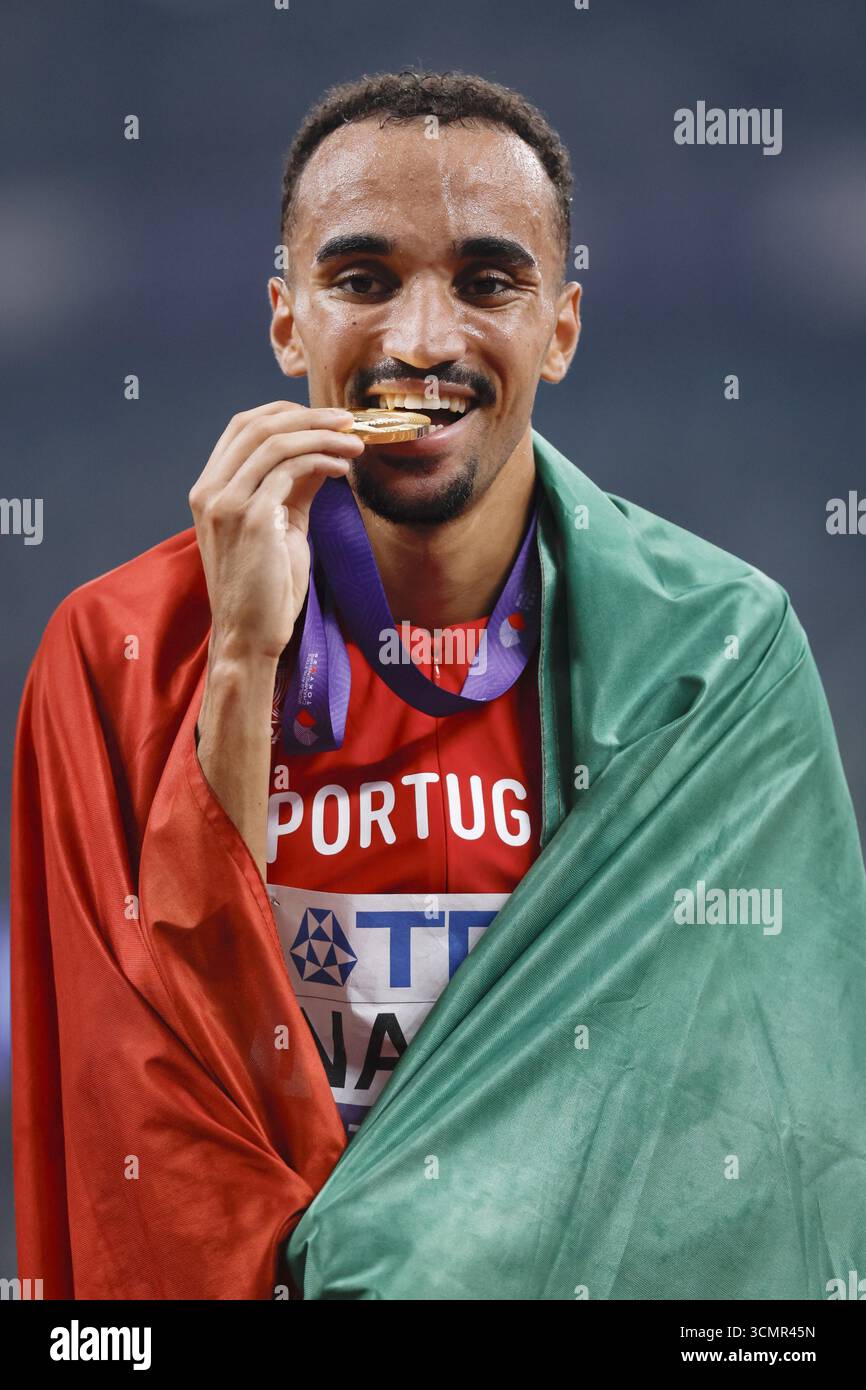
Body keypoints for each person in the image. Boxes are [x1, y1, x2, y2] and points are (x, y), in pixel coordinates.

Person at [11, 68, 866, 1302]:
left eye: (486, 282)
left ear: (559, 329)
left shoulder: (714, 661)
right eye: (361, 281)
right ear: (285, 321)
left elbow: (748, 1144)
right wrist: (244, 660)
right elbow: (151, 1111)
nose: (420, 341)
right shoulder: (112, 655)